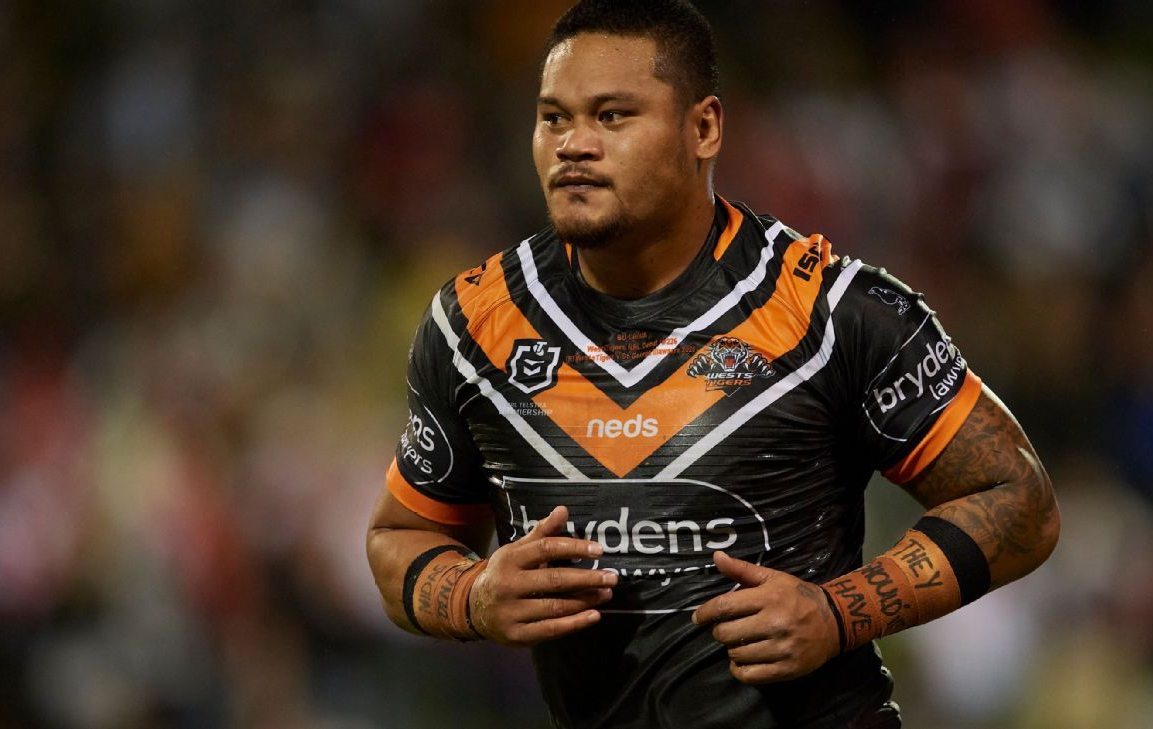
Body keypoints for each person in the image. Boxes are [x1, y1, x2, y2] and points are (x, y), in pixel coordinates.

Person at [365, 1, 1059, 726]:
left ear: (703, 128)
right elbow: (400, 538)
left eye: (612, 116)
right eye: (553, 118)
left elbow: (1018, 498)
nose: (573, 144)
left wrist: (837, 610)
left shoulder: (832, 312)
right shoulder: (473, 326)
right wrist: (474, 596)